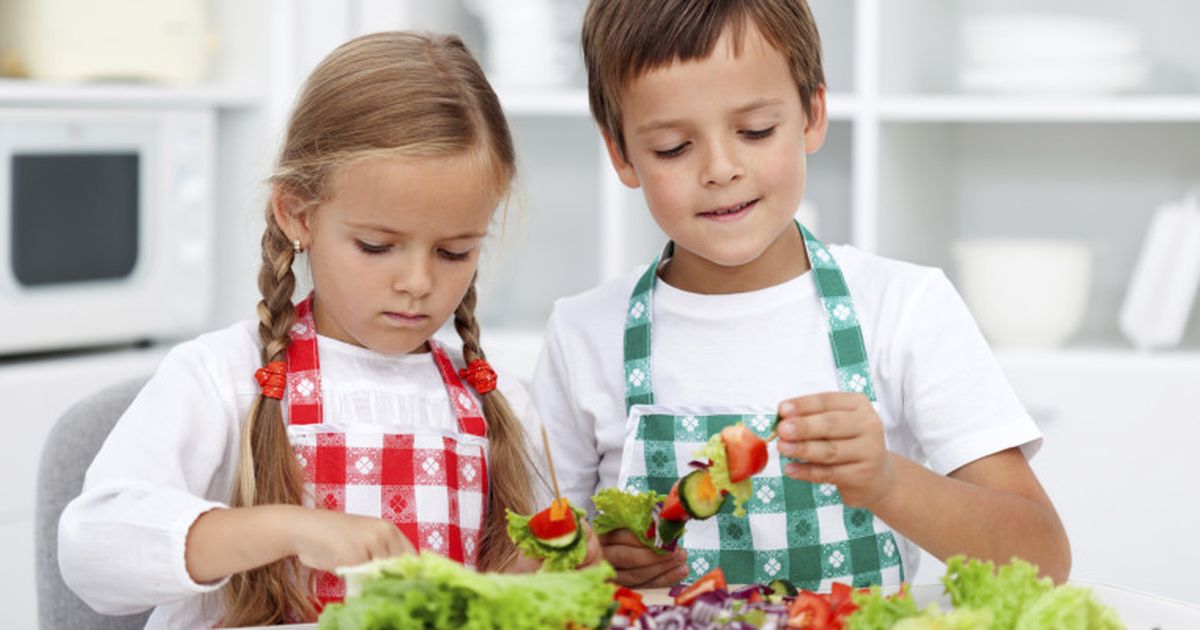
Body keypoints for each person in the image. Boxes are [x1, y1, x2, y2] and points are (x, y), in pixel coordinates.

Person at [531, 0, 1071, 591]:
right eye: (672, 148)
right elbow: (530, 562)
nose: (720, 168)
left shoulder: (903, 307)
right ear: (620, 153)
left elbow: (1042, 558)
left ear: (813, 114)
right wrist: (599, 563)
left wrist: (889, 482)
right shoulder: (584, 333)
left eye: (756, 131)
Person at [58, 31, 591, 628]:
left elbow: (529, 590)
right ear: (298, 216)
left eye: (453, 252)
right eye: (376, 245)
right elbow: (91, 550)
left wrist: (552, 572)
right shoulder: (223, 378)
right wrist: (283, 529)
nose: (417, 281)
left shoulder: (500, 402)